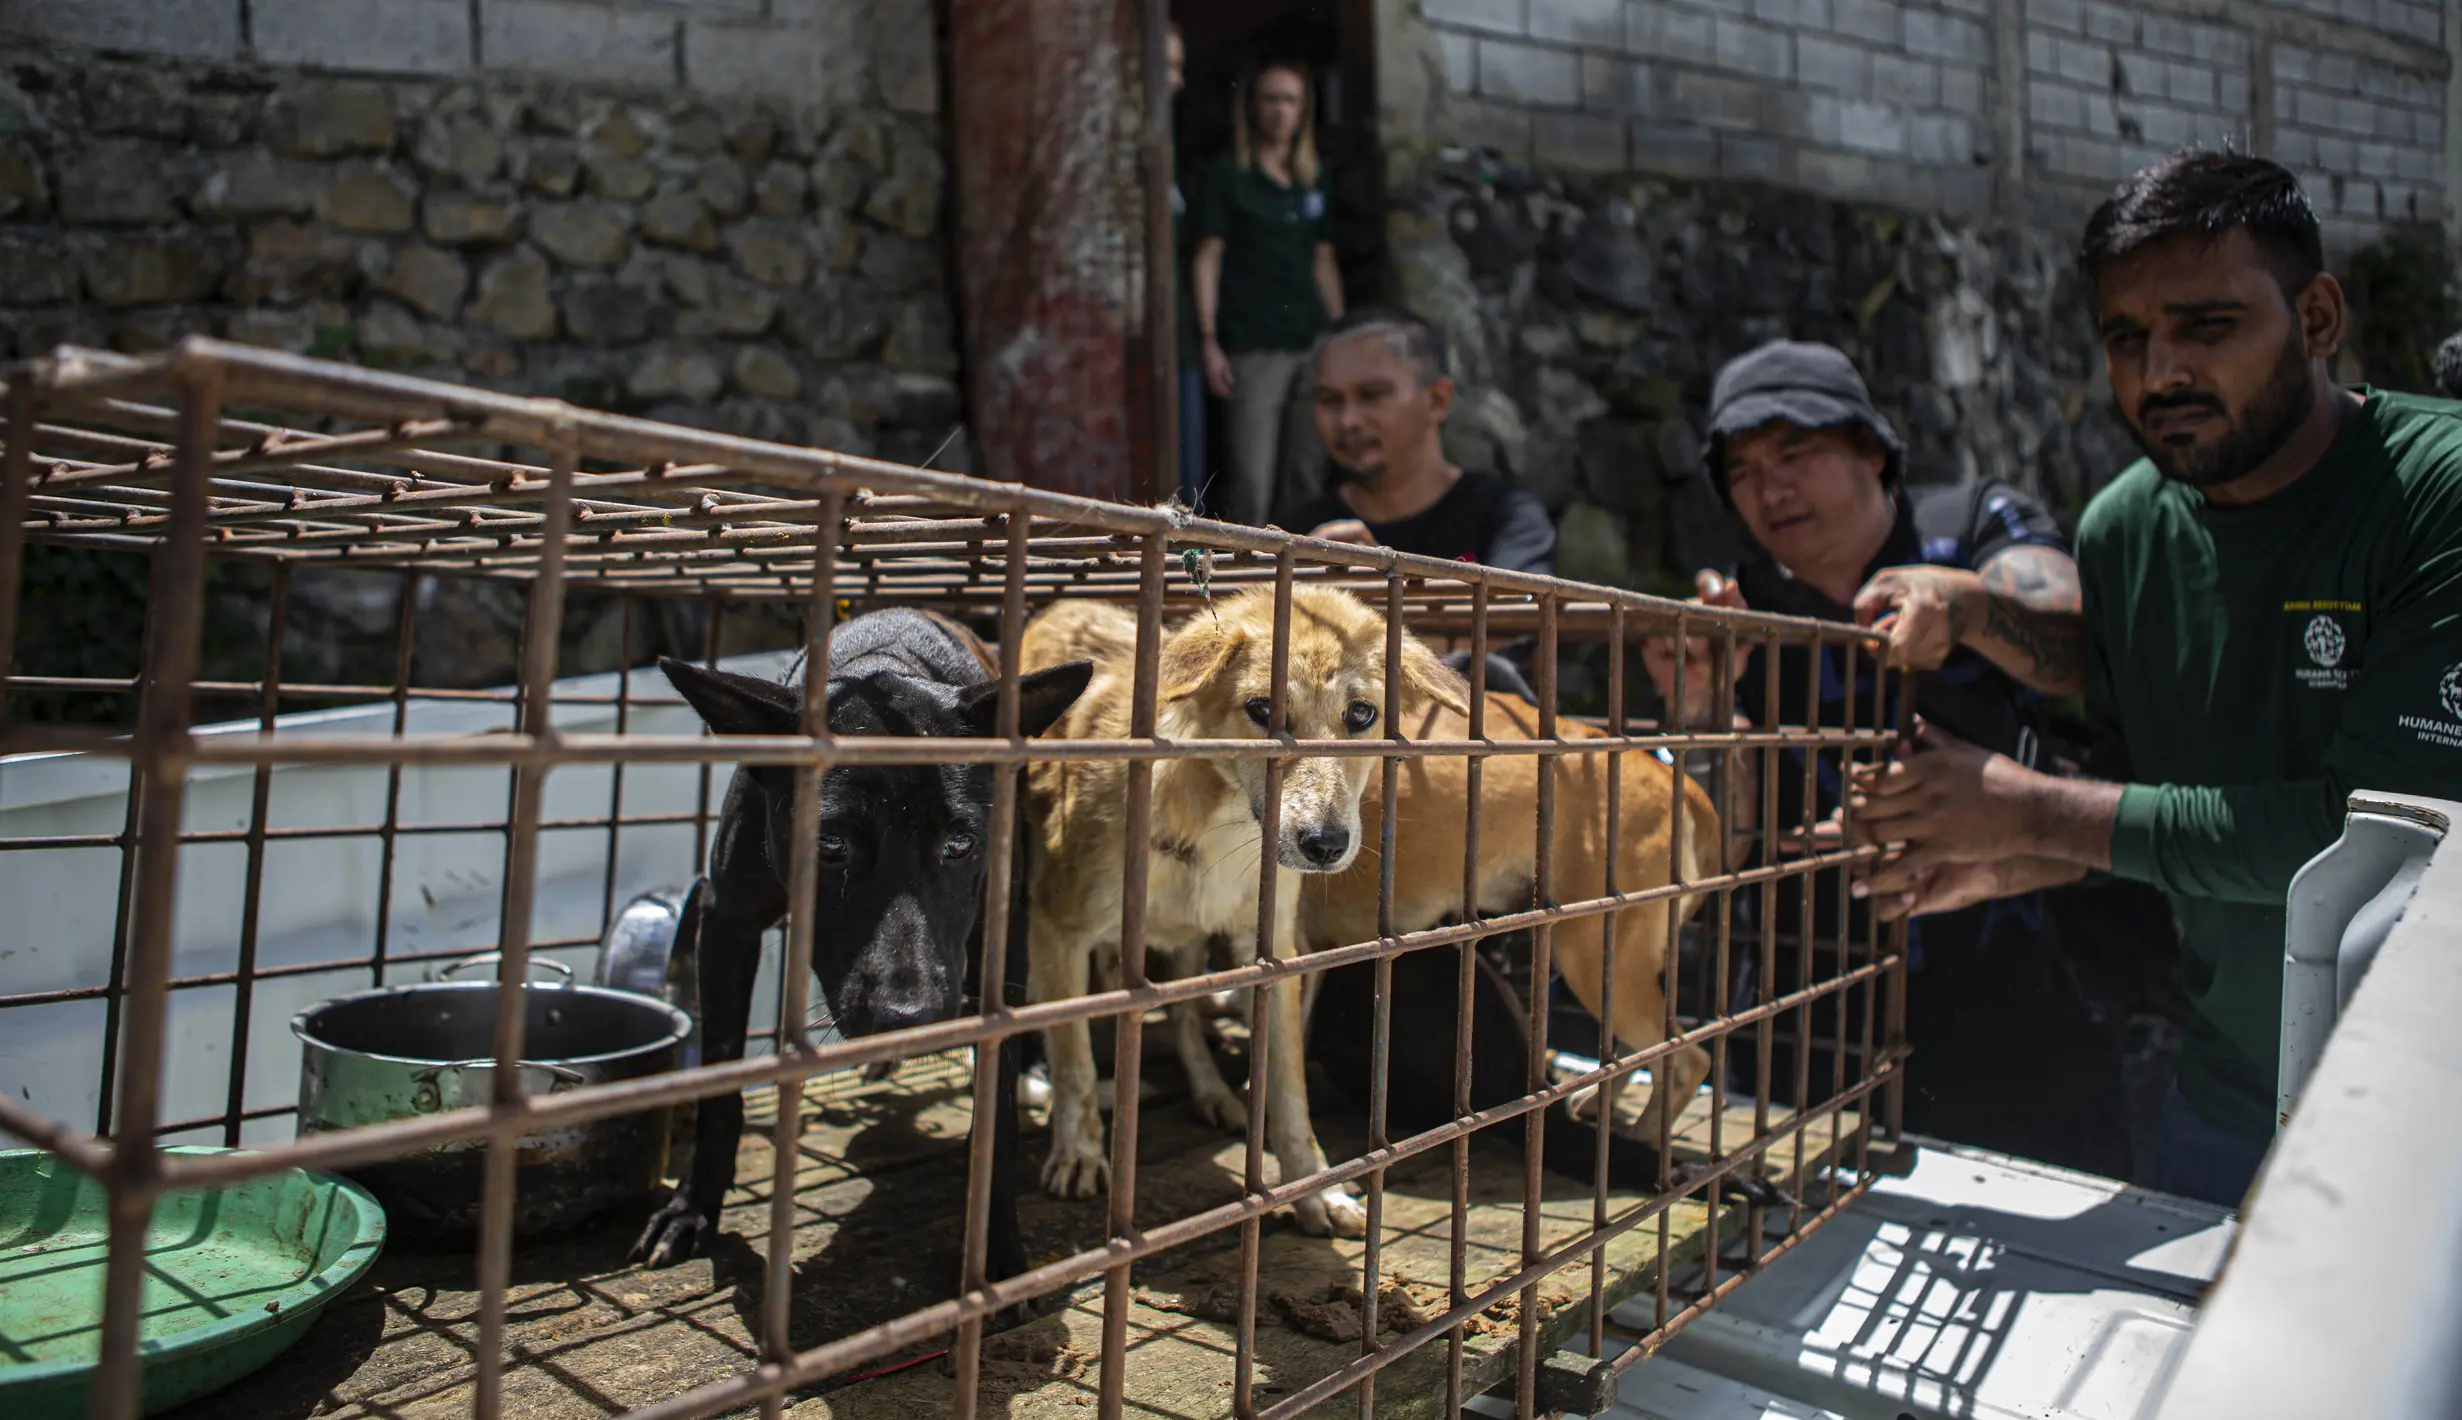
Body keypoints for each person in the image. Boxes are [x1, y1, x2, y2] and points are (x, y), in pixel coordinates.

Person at [1850, 151, 2462, 1208]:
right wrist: (1999, 856)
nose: (2158, 372)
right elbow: (2144, 789)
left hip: (2425, 1119)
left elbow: (2372, 850)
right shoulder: (2124, 529)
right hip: (2223, 1100)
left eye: (2206, 326)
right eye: (2125, 338)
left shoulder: (2432, 495)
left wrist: (2025, 807)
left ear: (2316, 319)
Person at [1641, 338, 2134, 1180]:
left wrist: (1965, 608)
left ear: (1870, 448)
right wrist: (1702, 709)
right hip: (1800, 1027)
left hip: (2001, 1005)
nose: (1773, 489)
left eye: (1796, 453)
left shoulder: (1971, 525)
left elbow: (2076, 645)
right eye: (1745, 470)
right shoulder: (1742, 613)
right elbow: (1712, 854)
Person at [1284, 305, 1555, 701]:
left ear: (1437, 400)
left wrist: (1349, 608)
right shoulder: (1301, 535)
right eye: (1329, 400)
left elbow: (1512, 630)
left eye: (1371, 395)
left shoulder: (1506, 516)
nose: (1347, 420)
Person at [1192, 60, 1345, 527]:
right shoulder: (1228, 176)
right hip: (1253, 344)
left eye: (1291, 100)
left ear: (1304, 111)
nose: (1281, 111)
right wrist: (1209, 339)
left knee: (1306, 472)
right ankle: (1245, 584)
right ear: (1253, 108)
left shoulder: (1311, 178)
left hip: (1311, 341)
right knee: (1251, 478)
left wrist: (1344, 337)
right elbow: (1208, 257)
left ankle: (1294, 585)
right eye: (1271, 99)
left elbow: (1323, 260)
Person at [1165, 24, 1207, 513]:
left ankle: (1191, 581)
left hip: (1180, 333)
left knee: (1188, 485)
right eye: (1166, 67)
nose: (1176, 81)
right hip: (1128, 339)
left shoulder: (1175, 146)